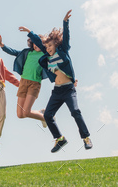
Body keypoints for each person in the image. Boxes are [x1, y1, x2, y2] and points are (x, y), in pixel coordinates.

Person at [22, 10, 93, 153]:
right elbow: (39, 44)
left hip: (68, 89)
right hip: (57, 91)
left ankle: (86, 138)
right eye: (46, 47)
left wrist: (65, 22)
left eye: (50, 46)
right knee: (47, 115)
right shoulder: (47, 57)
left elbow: (66, 38)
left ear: (57, 45)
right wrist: (30, 32)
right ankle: (60, 138)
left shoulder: (63, 52)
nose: (47, 49)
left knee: (75, 112)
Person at [0, 32, 48, 127]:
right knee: (20, 115)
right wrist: (1, 44)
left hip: (34, 84)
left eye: (39, 44)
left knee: (26, 112)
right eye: (35, 43)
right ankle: (41, 113)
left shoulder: (45, 55)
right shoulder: (27, 52)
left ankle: (48, 117)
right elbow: (13, 52)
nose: (36, 45)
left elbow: (57, 64)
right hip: (23, 83)